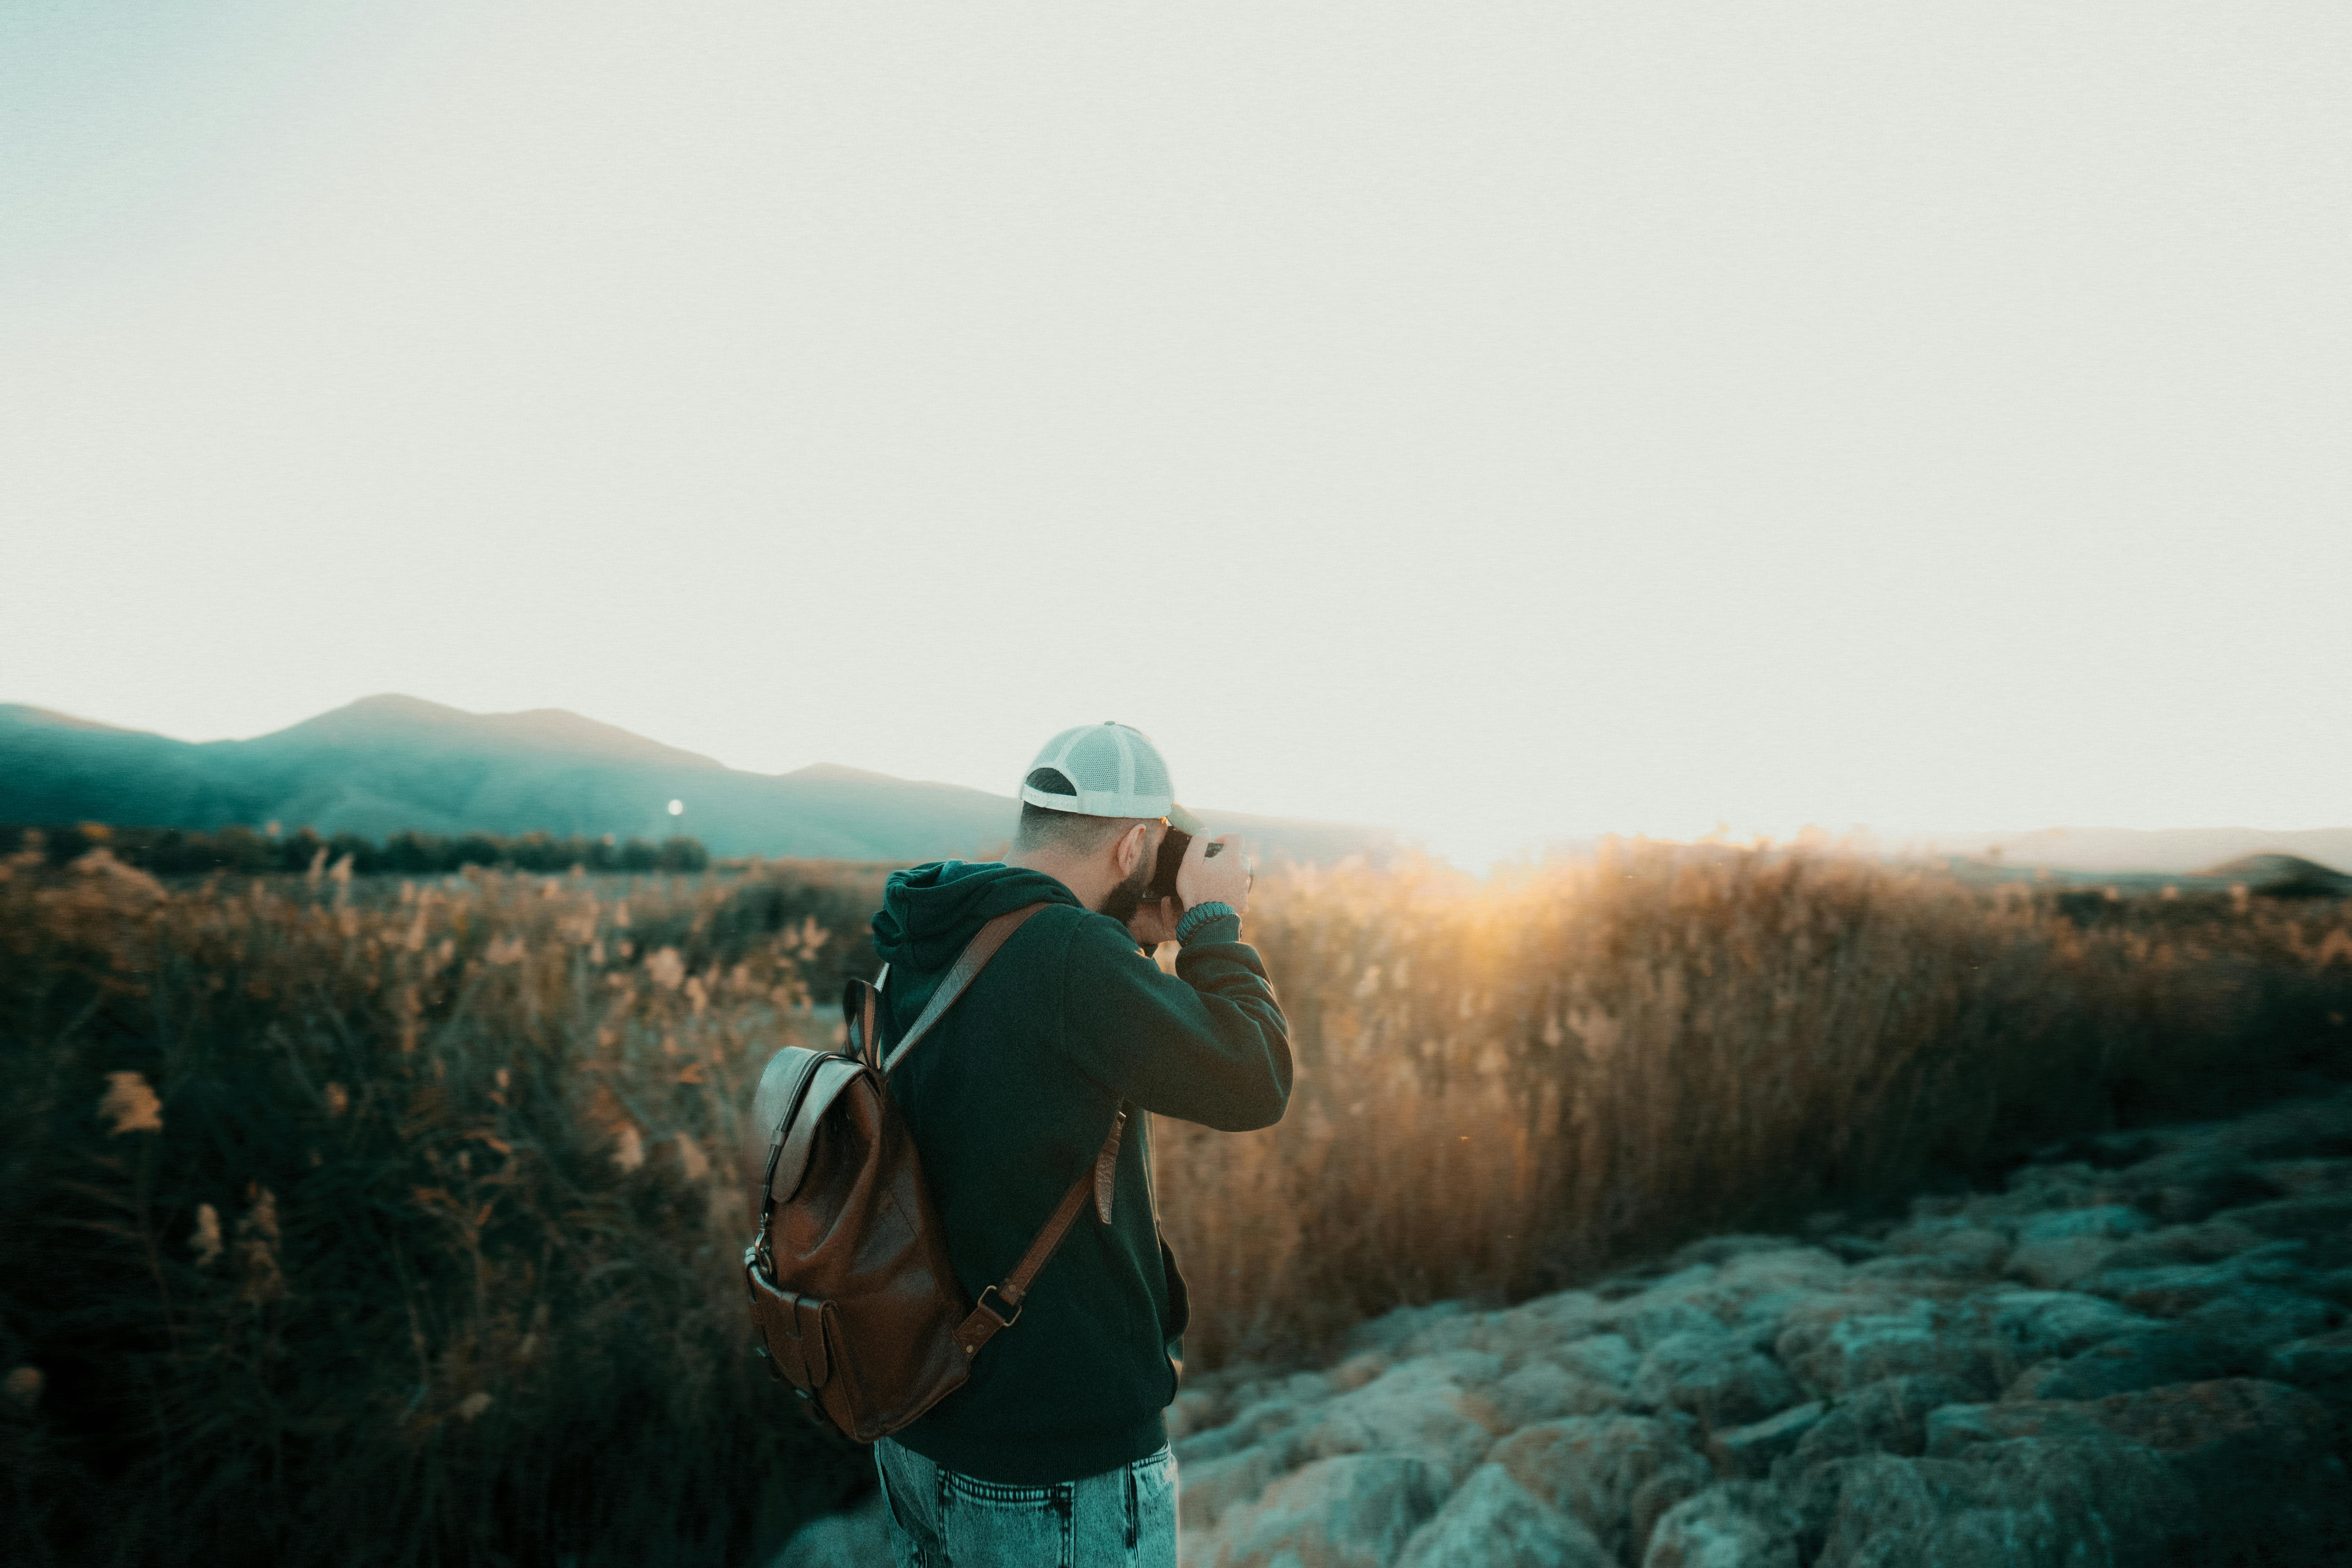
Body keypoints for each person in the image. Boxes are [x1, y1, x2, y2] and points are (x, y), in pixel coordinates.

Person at [868, 722, 1292, 1567]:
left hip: (921, 1422)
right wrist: (1211, 923)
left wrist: (1132, 933)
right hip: (1055, 1455)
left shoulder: (930, 929)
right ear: (1136, 842)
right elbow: (1254, 1079)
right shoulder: (1067, 957)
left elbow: (1038, 1065)